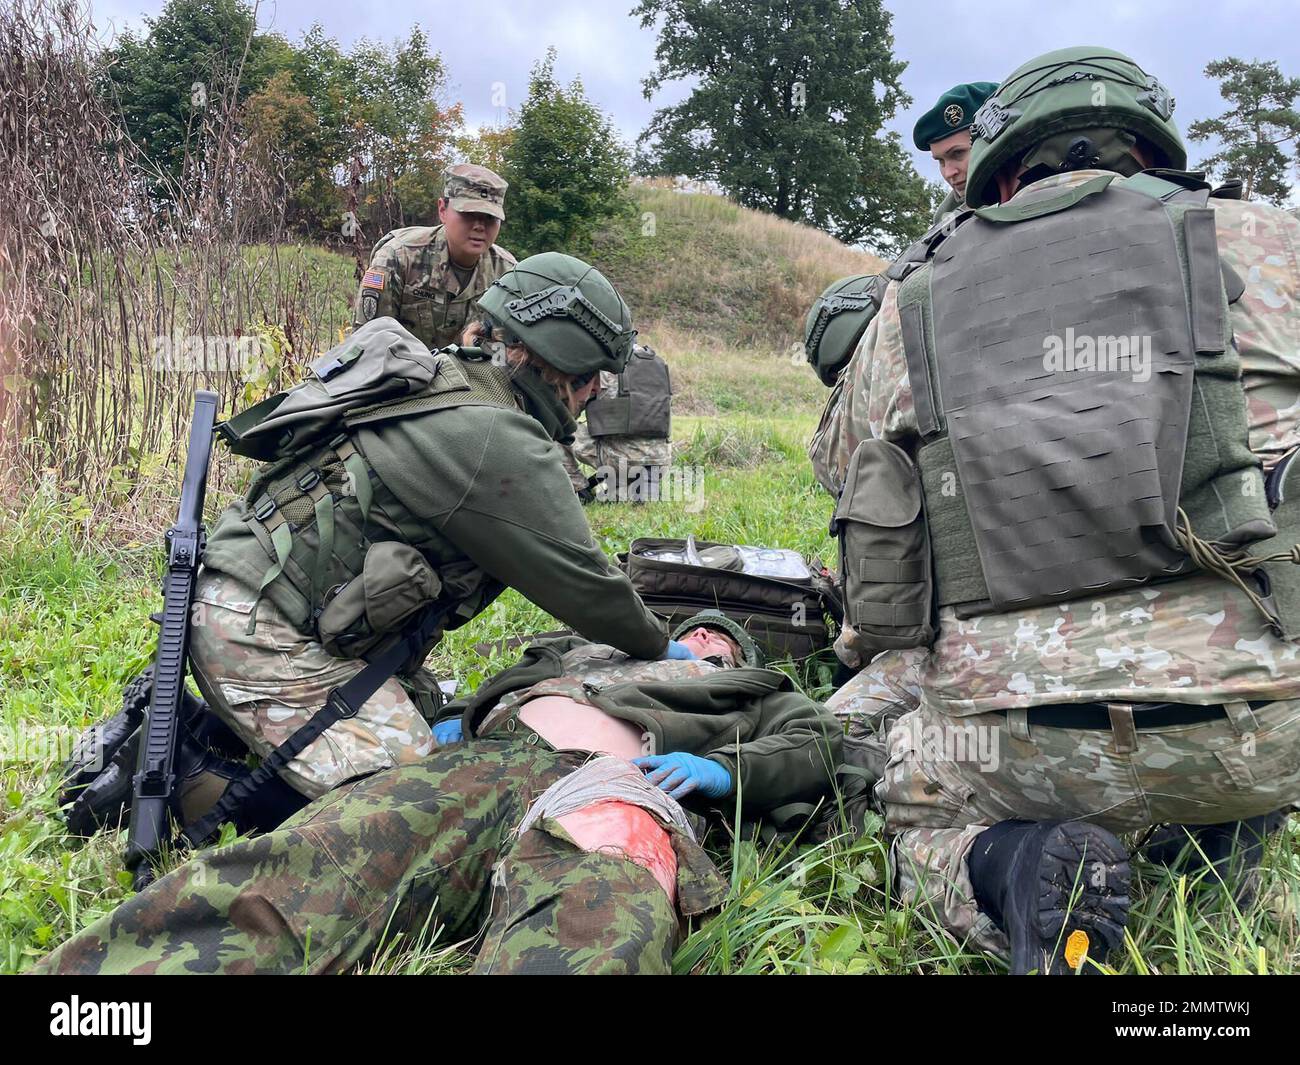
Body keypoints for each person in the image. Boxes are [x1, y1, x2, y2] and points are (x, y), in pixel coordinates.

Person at [829, 45, 1300, 974]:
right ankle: (1219, 836)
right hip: (1273, 718)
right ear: (1155, 150)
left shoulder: (907, 300)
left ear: (1000, 171)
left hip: (1013, 740)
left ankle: (1009, 866)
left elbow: (842, 468)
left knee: (893, 793)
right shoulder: (1274, 240)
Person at [70, 254, 702, 843]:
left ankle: (200, 724)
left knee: (431, 716)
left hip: (246, 596)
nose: (595, 396)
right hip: (261, 632)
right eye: (594, 381)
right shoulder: (499, 439)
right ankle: (173, 776)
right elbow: (584, 583)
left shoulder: (454, 377)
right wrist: (658, 646)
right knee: (412, 813)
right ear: (568, 372)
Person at [36, 612, 842, 975]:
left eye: (718, 639)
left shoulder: (756, 688)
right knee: (308, 863)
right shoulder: (581, 648)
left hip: (612, 785)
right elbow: (488, 689)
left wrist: (726, 774)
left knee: (597, 923)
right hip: (486, 761)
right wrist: (456, 721)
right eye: (693, 629)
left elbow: (819, 746)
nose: (703, 640)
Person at [352, 163, 516, 351]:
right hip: (403, 375)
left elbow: (511, 353)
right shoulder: (398, 257)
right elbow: (366, 342)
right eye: (468, 214)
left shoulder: (508, 275)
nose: (479, 226)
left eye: (489, 217)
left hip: (475, 379)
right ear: (442, 210)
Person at [912, 82, 999, 225]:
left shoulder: (1043, 181)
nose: (948, 173)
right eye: (941, 161)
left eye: (958, 153)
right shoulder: (947, 219)